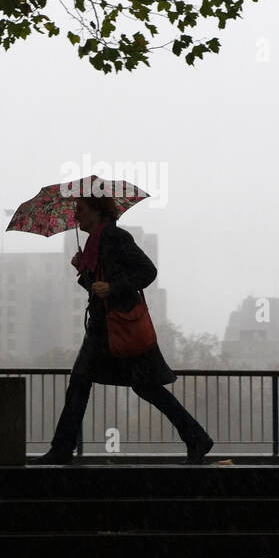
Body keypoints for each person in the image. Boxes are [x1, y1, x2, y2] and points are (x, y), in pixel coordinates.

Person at [36, 194, 214, 465]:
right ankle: (61, 448)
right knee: (83, 383)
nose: (77, 216)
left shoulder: (116, 238)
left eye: (81, 210)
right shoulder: (94, 244)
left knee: (141, 387)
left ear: (97, 212)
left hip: (119, 328)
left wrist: (112, 287)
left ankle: (196, 437)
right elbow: (97, 290)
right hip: (102, 330)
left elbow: (147, 271)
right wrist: (83, 272)